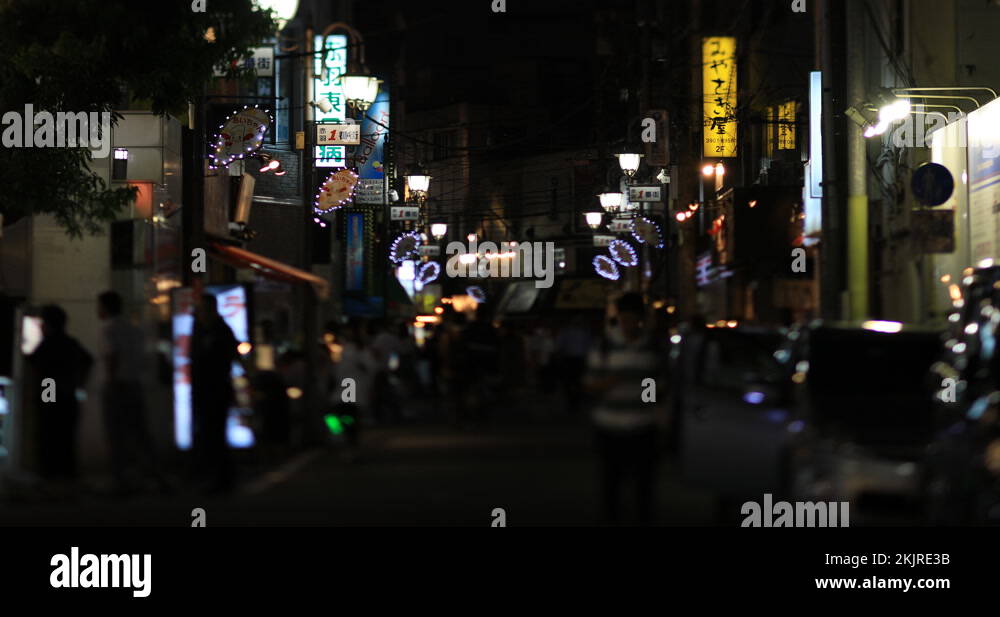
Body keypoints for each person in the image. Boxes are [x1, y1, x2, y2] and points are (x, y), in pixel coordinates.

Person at [584, 293, 667, 525]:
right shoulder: (605, 345)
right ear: (619, 318)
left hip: (643, 425)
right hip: (609, 425)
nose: (629, 324)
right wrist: (609, 383)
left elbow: (656, 387)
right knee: (611, 486)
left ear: (641, 319)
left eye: (634, 319)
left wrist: (647, 393)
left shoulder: (650, 346)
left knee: (644, 488)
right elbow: (590, 384)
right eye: (625, 318)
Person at [97, 291, 165, 495]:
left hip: (117, 386)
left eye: (99, 306)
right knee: (140, 432)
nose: (97, 310)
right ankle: (153, 476)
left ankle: (121, 481)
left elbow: (112, 356)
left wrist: (110, 382)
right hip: (135, 385)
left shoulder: (107, 329)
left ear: (106, 307)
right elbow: (144, 359)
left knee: (116, 435)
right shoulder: (133, 329)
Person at [25, 305, 93, 483]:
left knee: (48, 437)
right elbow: (88, 360)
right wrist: (79, 385)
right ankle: (67, 477)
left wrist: (47, 398)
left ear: (48, 324)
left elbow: (36, 365)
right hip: (68, 396)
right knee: (67, 439)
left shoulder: (48, 344)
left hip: (51, 395)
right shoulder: (71, 343)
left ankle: (50, 477)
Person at [190, 293, 240, 493]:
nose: (199, 313)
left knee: (214, 435)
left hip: (214, 390)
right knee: (212, 435)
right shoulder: (207, 329)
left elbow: (226, 357)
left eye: (202, 309)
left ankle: (220, 479)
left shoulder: (218, 330)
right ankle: (218, 478)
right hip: (209, 390)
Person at [555, 315, 592, 415]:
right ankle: (574, 401)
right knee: (574, 381)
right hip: (574, 359)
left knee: (571, 381)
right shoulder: (581, 332)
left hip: (574, 359)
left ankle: (573, 401)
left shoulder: (570, 332)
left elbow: (559, 346)